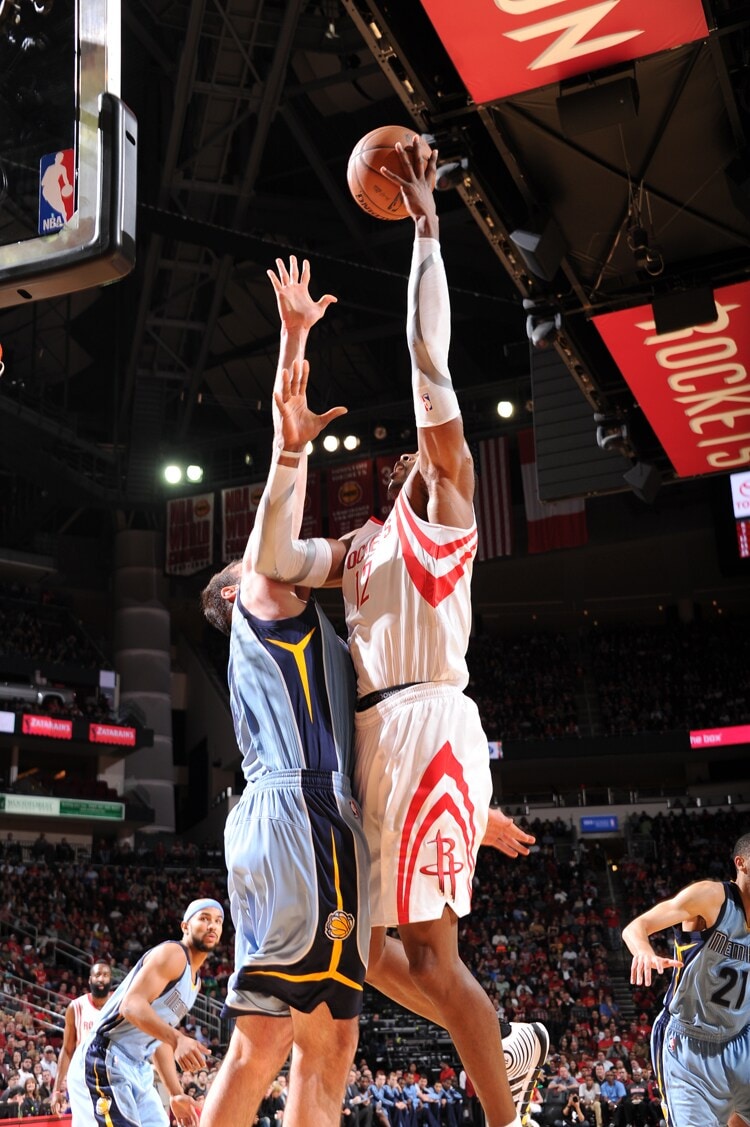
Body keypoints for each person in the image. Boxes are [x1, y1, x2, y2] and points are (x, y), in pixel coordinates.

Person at [251, 136, 548, 1127]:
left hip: (425, 718)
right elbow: (274, 564)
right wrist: (286, 433)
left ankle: (507, 1105)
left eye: (420, 452)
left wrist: (426, 230)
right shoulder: (360, 551)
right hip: (377, 740)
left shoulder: (447, 502)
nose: (407, 459)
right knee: (366, 951)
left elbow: (430, 365)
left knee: (431, 956)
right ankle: (498, 1043)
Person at [199, 255, 371, 1127]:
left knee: (328, 1043)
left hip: (319, 818)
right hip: (290, 815)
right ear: (232, 594)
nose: (271, 564)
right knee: (267, 1041)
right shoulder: (257, 600)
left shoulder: (315, 633)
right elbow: (277, 529)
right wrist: (293, 349)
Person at [622, 831, 750, 1127]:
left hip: (741, 1036)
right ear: (741, 863)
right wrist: (644, 952)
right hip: (689, 1043)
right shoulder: (712, 897)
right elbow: (636, 927)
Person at [66, 898, 223, 1127]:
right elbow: (130, 1005)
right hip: (105, 1057)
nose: (212, 926)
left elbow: (158, 1036)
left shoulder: (195, 982)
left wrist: (176, 1093)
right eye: (204, 918)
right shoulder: (174, 954)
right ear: (185, 926)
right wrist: (177, 1038)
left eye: (218, 921)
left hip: (137, 1067)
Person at [50, 959, 113, 1113]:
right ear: (90, 979)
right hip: (83, 1077)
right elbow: (66, 1050)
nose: (101, 979)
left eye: (105, 975)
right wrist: (57, 1090)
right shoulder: (76, 1007)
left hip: (112, 1076)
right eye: (97, 975)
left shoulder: (119, 1005)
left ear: (110, 980)